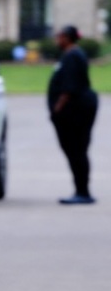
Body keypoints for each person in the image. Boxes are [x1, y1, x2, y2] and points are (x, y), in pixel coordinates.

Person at [47, 25, 99, 205]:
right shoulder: (72, 55)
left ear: (66, 38)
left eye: (59, 36)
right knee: (76, 151)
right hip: (76, 109)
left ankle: (82, 192)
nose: (57, 40)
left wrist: (57, 109)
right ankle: (81, 190)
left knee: (76, 150)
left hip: (75, 112)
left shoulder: (72, 57)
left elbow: (69, 89)